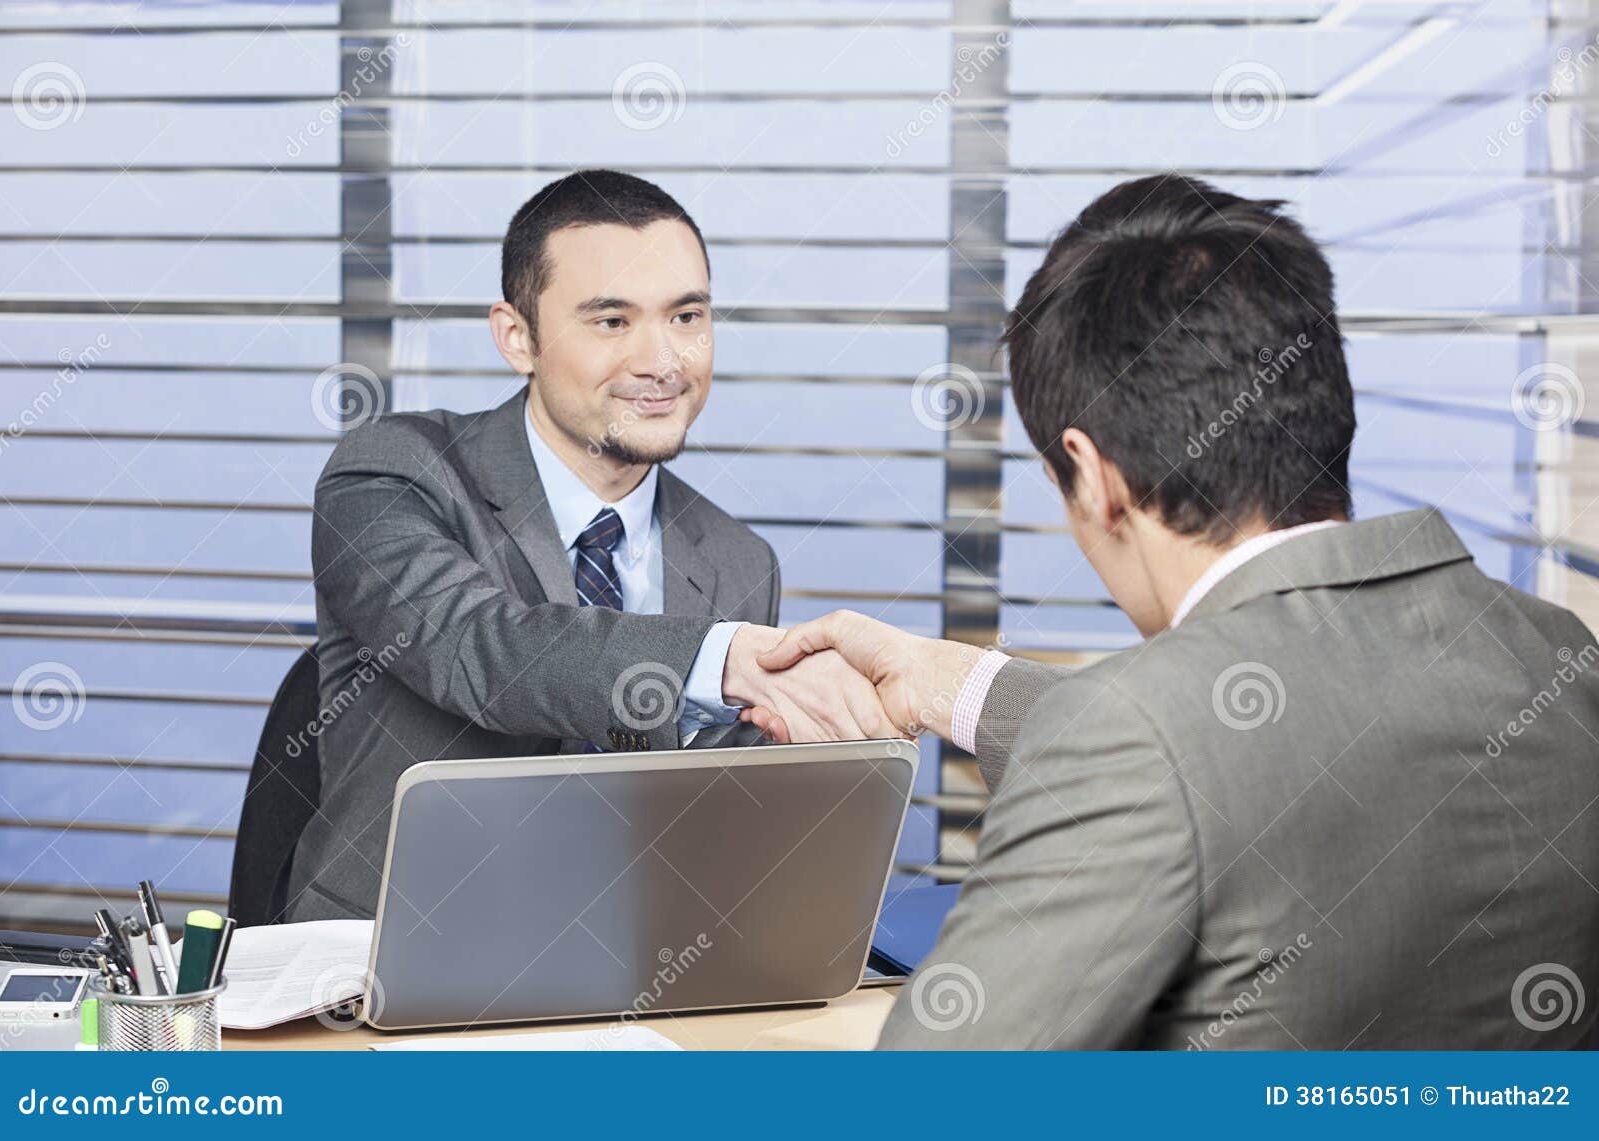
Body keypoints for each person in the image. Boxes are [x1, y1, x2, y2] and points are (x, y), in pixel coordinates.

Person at [753, 175, 1599, 1049]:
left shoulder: (1136, 738)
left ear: (1096, 475)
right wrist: (951, 684)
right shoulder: (1555, 656)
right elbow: (1263, 750)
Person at [287, 170, 893, 922]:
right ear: (518, 337)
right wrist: (725, 660)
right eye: (612, 321)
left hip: (629, 970)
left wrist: (816, 754)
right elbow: (481, 649)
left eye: (686, 316)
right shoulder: (394, 472)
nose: (663, 361)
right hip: (386, 960)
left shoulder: (737, 561)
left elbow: (707, 830)